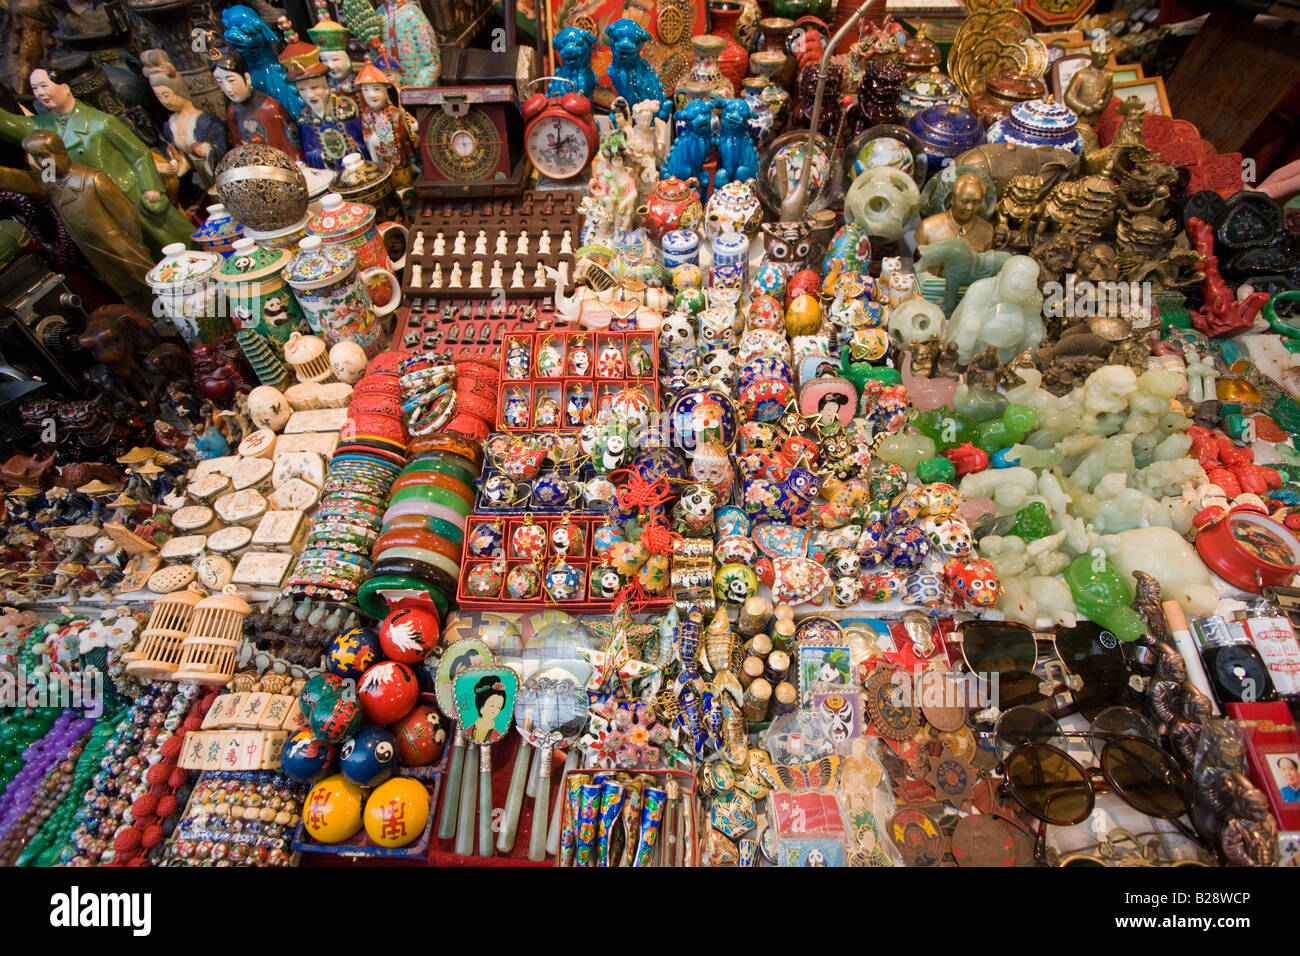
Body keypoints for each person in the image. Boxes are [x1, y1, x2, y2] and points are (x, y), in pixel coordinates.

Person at [0, 65, 194, 256]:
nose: (40, 93)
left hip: (126, 193)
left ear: (65, 88)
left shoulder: (101, 122)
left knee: (170, 241)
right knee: (131, 254)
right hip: (90, 205)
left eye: (44, 85)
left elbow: (139, 155)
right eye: (35, 88)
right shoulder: (43, 127)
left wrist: (150, 188)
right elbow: (9, 125)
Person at [0, 130, 154, 308]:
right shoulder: (50, 184)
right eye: (36, 158)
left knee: (147, 282)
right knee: (125, 290)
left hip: (120, 245)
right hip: (93, 251)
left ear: (60, 151)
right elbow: (16, 179)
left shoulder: (92, 179)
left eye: (43, 156)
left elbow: (127, 215)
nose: (42, 163)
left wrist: (135, 243)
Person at [141, 50, 229, 189]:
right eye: (159, 97)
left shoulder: (207, 122)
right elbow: (181, 158)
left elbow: (224, 151)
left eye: (166, 95)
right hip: (199, 182)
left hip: (218, 177)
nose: (164, 101)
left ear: (179, 90)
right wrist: (175, 165)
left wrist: (206, 150)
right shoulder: (169, 126)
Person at [280, 33, 367, 171]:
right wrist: (321, 156)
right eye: (302, 90)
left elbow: (364, 142)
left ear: (326, 85)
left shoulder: (345, 111)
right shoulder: (306, 120)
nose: (310, 95)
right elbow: (309, 152)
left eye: (314, 87)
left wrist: (356, 147)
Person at [213, 50, 303, 161]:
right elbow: (238, 146)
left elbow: (292, 147)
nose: (227, 89)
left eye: (231, 80)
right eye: (220, 82)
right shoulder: (232, 111)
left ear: (247, 78)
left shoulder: (271, 108)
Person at [914, 173, 994, 254]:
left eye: (976, 202)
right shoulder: (927, 228)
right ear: (952, 199)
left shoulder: (987, 231)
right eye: (965, 202)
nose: (970, 208)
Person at [468, 675, 506, 743]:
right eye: (492, 705)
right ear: (481, 706)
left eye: (499, 707)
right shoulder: (469, 730)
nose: (495, 710)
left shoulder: (496, 734)